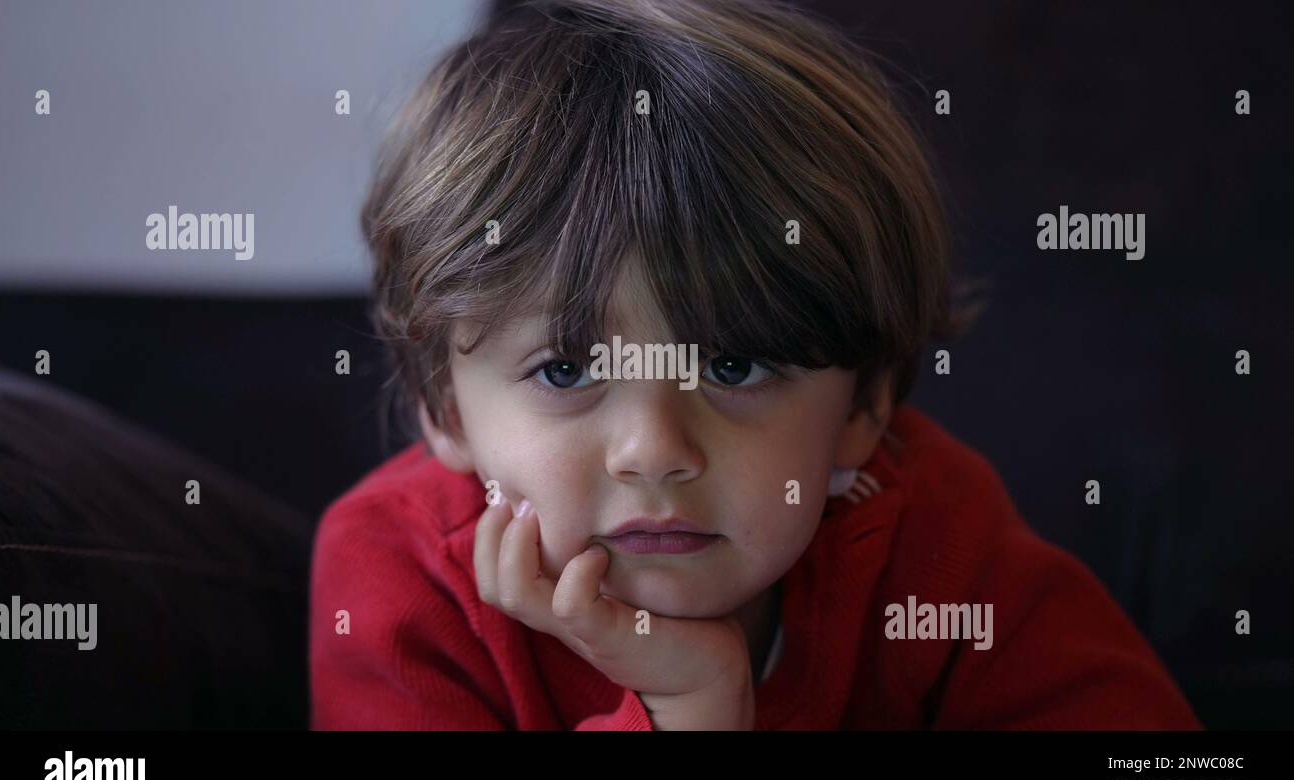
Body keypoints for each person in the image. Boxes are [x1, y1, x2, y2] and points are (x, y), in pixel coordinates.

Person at [309, 0, 1200, 729]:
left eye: (734, 365)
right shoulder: (404, 578)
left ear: (867, 402)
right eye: (566, 372)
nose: (653, 451)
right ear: (446, 406)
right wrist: (685, 711)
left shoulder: (929, 525)